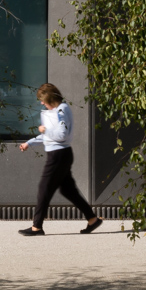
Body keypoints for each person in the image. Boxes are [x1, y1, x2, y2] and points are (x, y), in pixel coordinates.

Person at [17, 82, 103, 236]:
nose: (42, 103)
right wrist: (29, 143)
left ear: (50, 98)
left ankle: (37, 227)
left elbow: (61, 135)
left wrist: (45, 130)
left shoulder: (61, 111)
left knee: (44, 188)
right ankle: (92, 219)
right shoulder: (58, 110)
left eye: (43, 100)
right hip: (60, 154)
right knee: (68, 190)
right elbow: (50, 135)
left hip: (58, 155)